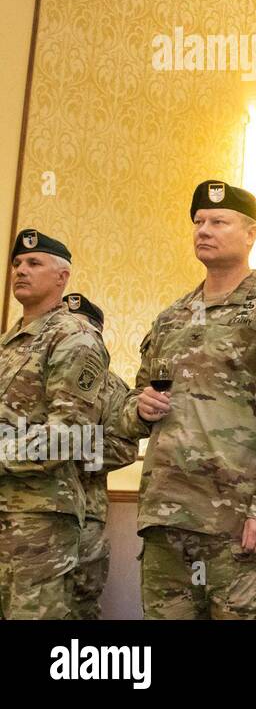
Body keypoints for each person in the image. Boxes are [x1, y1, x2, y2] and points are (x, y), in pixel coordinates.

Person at [125, 180, 256, 619]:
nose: (204, 230)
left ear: (250, 234)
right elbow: (133, 403)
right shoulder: (172, 317)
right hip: (167, 520)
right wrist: (138, 406)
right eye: (198, 222)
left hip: (238, 525)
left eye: (218, 221)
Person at [1, 231, 107, 619]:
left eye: (34, 263)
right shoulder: (10, 342)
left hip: (39, 524)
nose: (21, 271)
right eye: (17, 264)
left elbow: (70, 436)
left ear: (62, 279)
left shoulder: (73, 336)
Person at [60, 292, 140, 619]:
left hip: (83, 517)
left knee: (78, 606)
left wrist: (62, 451)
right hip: (23, 517)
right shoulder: (32, 379)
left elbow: (123, 447)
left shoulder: (111, 389)